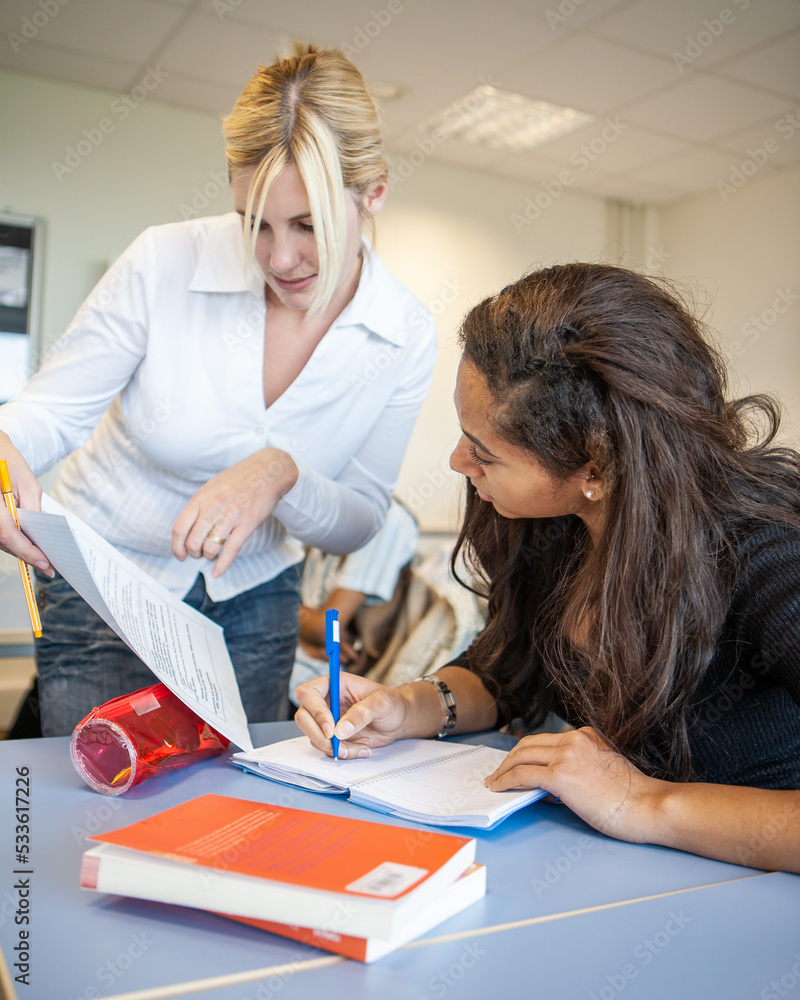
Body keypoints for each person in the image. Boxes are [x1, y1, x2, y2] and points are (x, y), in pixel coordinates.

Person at [295, 262, 800, 874]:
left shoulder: (770, 553)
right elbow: (506, 672)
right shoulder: (556, 528)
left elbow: (642, 800)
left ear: (595, 468)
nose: (458, 461)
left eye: (483, 452)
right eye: (463, 434)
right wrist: (411, 708)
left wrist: (644, 801)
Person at [0, 43, 437, 737]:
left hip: (259, 599)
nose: (279, 259)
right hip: (106, 581)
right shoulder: (163, 261)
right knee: (91, 798)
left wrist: (282, 474)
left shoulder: (405, 333)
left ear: (374, 193)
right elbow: (44, 414)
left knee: (225, 806)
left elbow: (360, 518)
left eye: (308, 225)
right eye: (253, 223)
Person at [288, 497, 419, 707]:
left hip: (342, 677)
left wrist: (289, 619)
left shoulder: (384, 520)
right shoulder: (321, 513)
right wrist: (303, 637)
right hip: (303, 657)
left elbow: (326, 629)